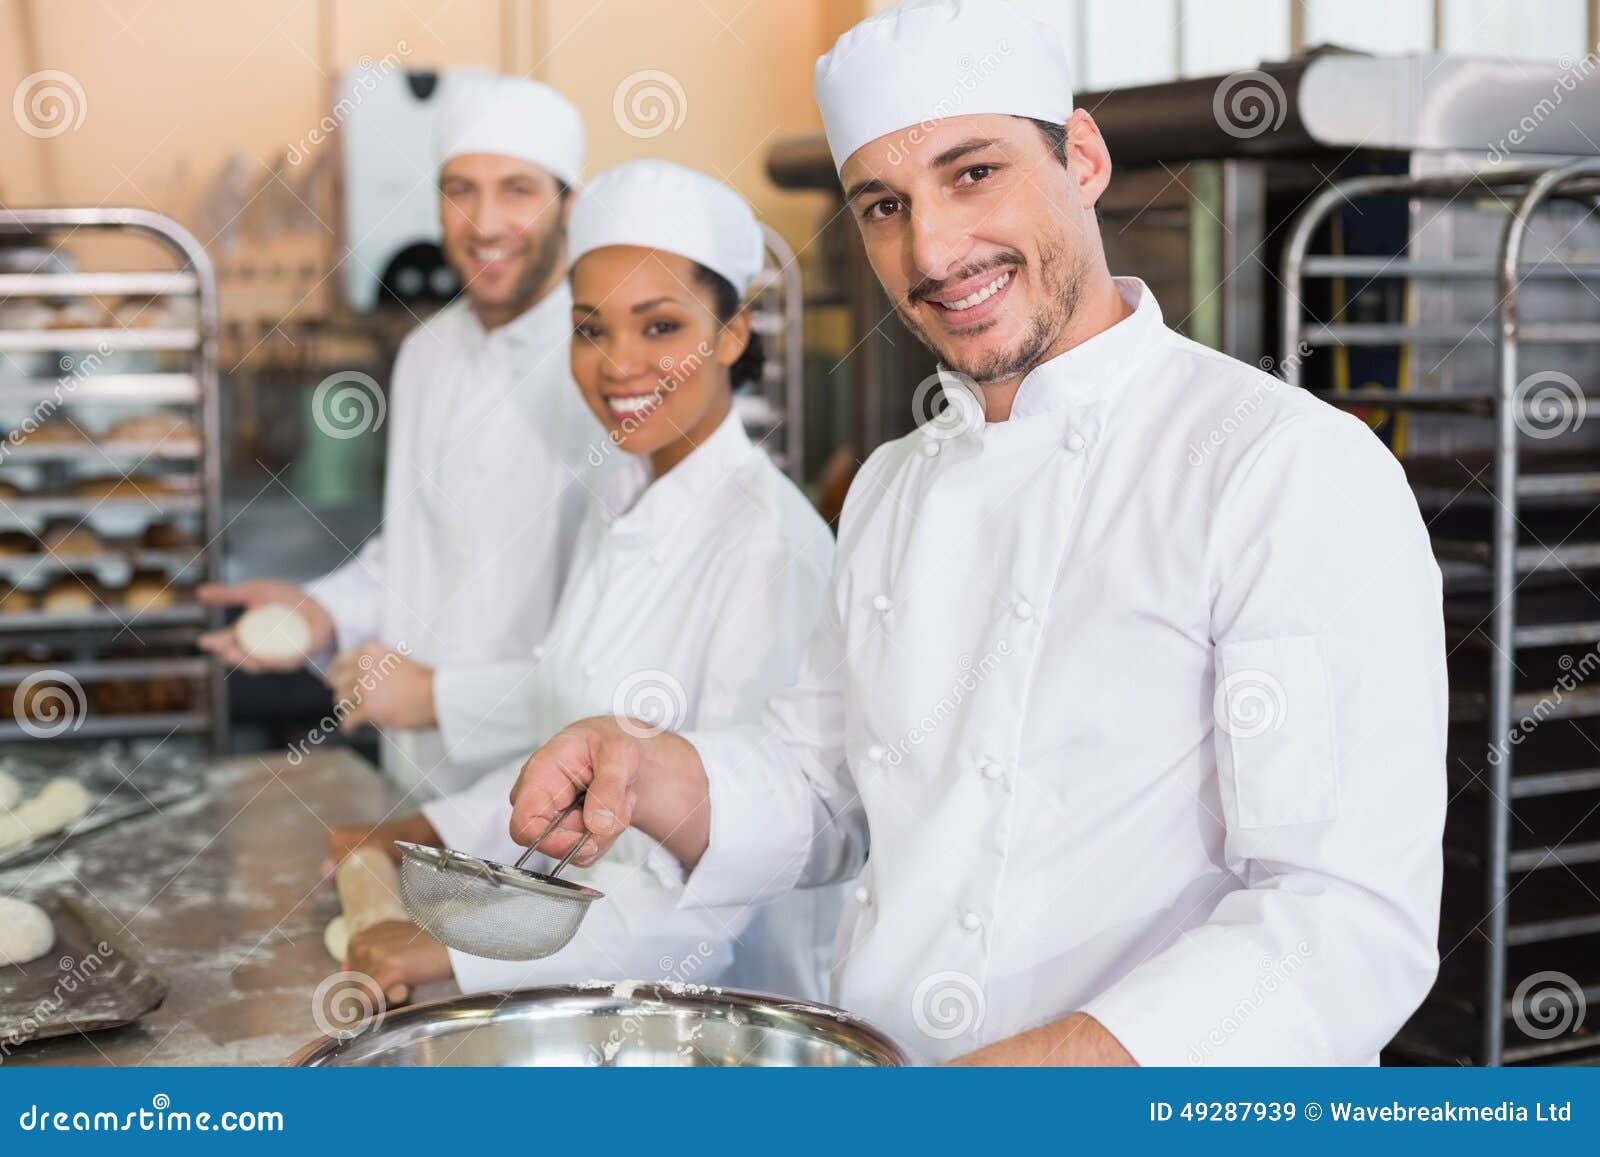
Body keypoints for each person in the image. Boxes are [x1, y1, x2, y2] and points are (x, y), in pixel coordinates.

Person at [505, 0, 1447, 1065]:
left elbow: (1339, 916)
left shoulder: (1278, 465)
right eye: (881, 205)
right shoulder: (892, 486)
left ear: (1080, 156)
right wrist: (646, 770)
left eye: (972, 172)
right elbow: (829, 788)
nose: (934, 248)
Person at [327, 161, 840, 1005]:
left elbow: (728, 894)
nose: (618, 365)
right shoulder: (623, 500)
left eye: (662, 325)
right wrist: (426, 833)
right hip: (598, 991)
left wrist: (459, 954)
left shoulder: (770, 551)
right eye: (591, 329)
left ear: (736, 334)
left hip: (720, 1017)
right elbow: (573, 775)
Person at [199, 71, 619, 798]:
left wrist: (441, 697)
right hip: (417, 776)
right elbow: (418, 550)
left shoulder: (610, 371)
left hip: (555, 794)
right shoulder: (428, 352)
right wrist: (325, 607)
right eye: (461, 189)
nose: (484, 223)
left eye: (517, 189)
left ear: (569, 207)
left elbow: (623, 641)